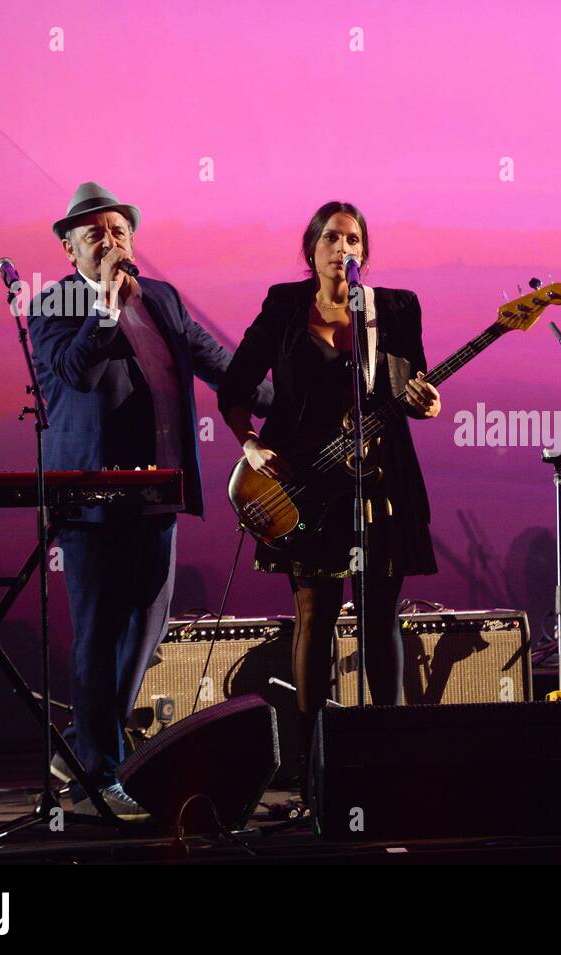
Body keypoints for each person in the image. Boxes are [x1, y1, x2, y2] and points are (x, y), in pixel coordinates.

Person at [29, 182, 271, 821]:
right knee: (99, 630)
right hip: (91, 493)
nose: (110, 242)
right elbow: (74, 372)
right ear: (69, 248)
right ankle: (98, 778)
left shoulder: (162, 298)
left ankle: (86, 745)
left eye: (118, 231)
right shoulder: (54, 304)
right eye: (94, 235)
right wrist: (104, 310)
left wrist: (293, 405)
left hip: (159, 490)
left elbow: (219, 363)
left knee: (149, 623)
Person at [218, 201, 440, 791]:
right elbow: (235, 386)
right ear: (312, 248)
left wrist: (426, 401)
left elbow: (411, 386)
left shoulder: (393, 307)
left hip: (378, 477)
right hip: (301, 480)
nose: (345, 249)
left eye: (355, 240)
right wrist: (248, 443)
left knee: (378, 613)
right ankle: (313, 761)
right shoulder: (284, 305)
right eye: (334, 239)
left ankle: (388, 752)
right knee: (314, 613)